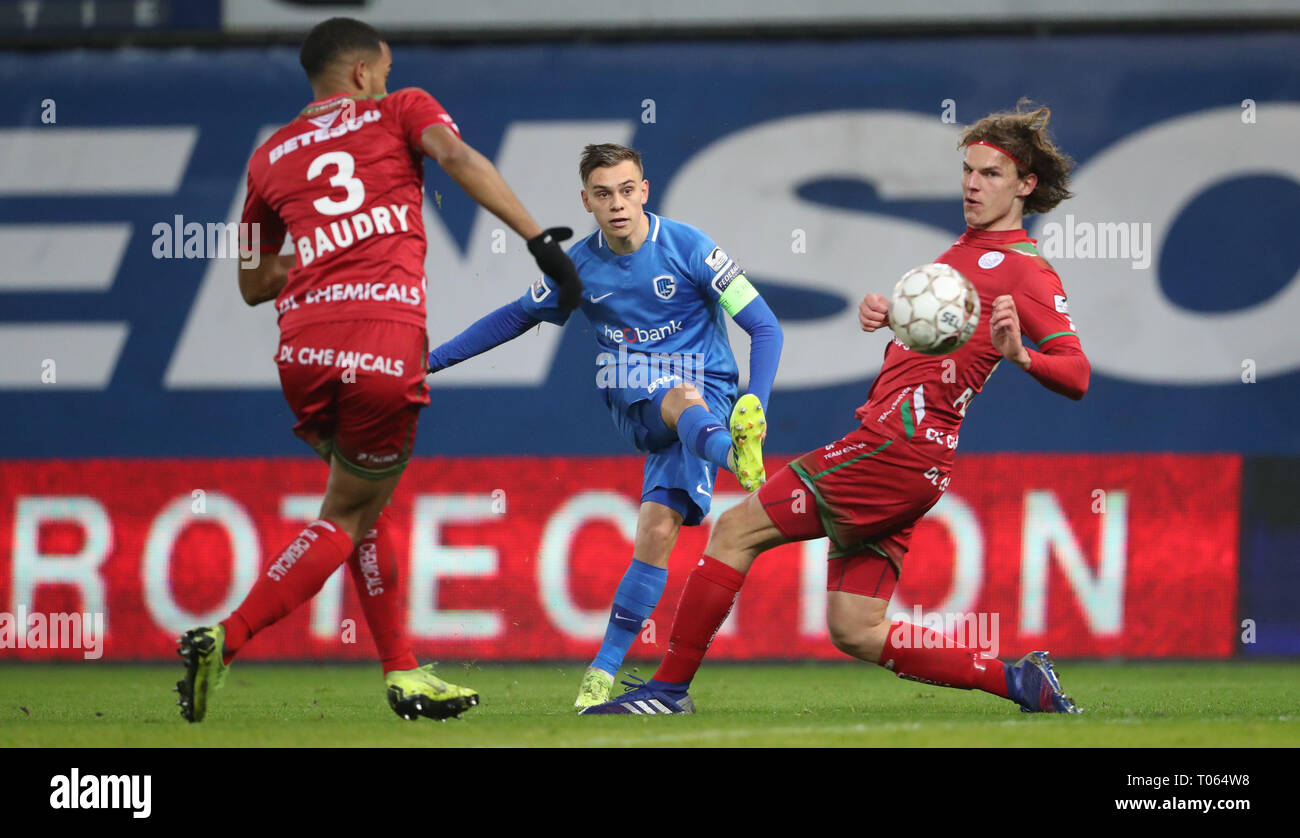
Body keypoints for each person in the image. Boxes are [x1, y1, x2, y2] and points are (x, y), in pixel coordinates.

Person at [582, 102, 1090, 715]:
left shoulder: (1026, 271)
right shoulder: (961, 252)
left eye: (990, 175)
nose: (972, 185)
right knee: (857, 626)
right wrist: (893, 319)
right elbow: (945, 342)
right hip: (914, 461)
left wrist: (1023, 357)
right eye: (969, 171)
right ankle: (1020, 683)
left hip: (894, 445)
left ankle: (667, 691)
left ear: (1026, 185)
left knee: (735, 528)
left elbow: (1077, 373)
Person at [174, 17, 582, 723]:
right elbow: (453, 155)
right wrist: (537, 238)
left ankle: (401, 670)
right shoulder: (399, 109)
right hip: (383, 342)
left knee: (366, 499)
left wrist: (322, 251)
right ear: (364, 72)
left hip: (301, 348)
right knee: (346, 512)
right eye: (384, 71)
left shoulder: (269, 156)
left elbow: (251, 280)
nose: (387, 81)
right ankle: (226, 635)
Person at [426, 143, 783, 710]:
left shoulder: (690, 247)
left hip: (709, 395)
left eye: (626, 190)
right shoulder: (579, 269)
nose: (616, 203)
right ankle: (735, 456)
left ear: (644, 191)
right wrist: (431, 361)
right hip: (629, 383)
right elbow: (516, 316)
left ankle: (602, 672)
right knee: (670, 393)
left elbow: (766, 328)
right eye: (603, 194)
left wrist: (754, 405)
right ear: (586, 201)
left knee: (658, 529)